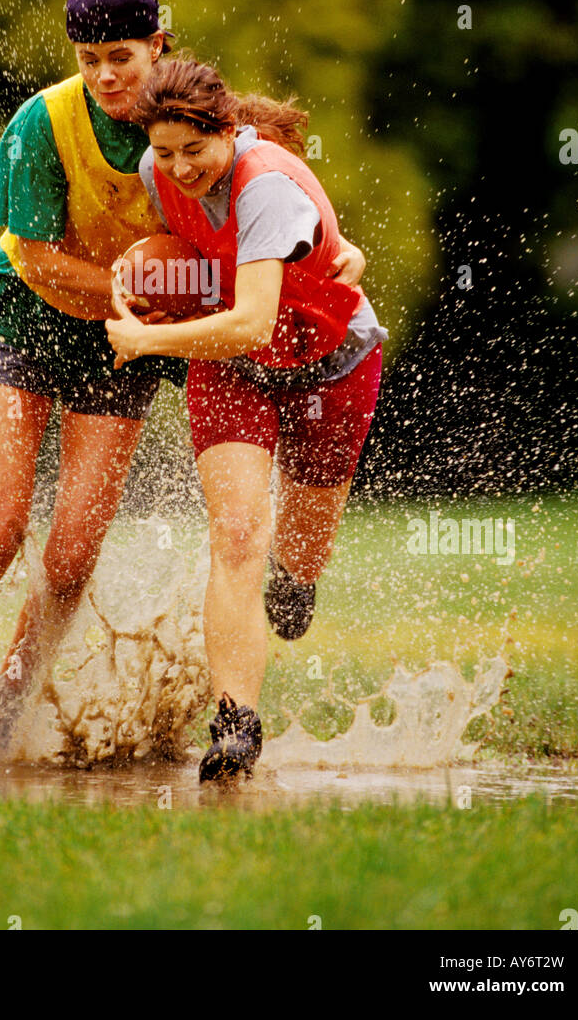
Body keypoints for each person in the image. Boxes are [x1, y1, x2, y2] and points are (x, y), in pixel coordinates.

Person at [0, 0, 366, 763]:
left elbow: (275, 174)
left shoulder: (185, 119)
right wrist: (132, 299)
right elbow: (43, 265)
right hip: (27, 315)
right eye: (88, 61)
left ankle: (1, 712)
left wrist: (338, 248)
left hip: (127, 337)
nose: (105, 77)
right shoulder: (39, 126)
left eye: (119, 57)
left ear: (158, 46)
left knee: (73, 552)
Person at [106, 57, 386, 783]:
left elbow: (254, 320)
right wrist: (154, 286)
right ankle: (235, 727)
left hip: (330, 362)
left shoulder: (266, 186)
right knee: (234, 533)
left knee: (295, 565)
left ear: (227, 131)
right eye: (165, 152)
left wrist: (146, 340)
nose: (178, 167)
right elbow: (198, 268)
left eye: (194, 150)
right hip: (233, 367)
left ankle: (294, 579)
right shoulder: (155, 169)